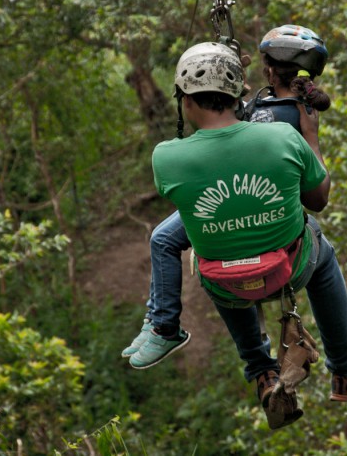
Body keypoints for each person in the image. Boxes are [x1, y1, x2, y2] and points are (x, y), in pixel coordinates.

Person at [144, 39, 347, 419]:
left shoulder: (166, 158)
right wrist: (311, 137)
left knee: (217, 253)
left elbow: (213, 156)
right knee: (316, 240)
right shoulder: (282, 137)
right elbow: (317, 199)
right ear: (239, 95)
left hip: (228, 284)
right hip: (291, 269)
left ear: (184, 101)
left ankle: (262, 372)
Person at [122, 25, 332, 369]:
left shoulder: (168, 155)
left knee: (182, 245)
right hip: (281, 243)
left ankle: (172, 328)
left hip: (226, 258)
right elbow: (317, 197)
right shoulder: (286, 122)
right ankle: (346, 367)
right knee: (320, 246)